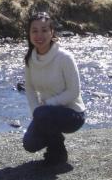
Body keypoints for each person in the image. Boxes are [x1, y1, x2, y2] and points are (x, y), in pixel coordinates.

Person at [22, 11, 86, 165]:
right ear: (29, 34)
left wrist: (49, 104)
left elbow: (74, 92)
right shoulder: (30, 59)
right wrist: (35, 112)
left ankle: (58, 153)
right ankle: (53, 137)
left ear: (52, 32)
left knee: (43, 114)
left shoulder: (64, 58)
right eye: (34, 31)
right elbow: (29, 89)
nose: (39, 35)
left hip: (73, 115)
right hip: (45, 113)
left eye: (44, 30)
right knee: (30, 144)